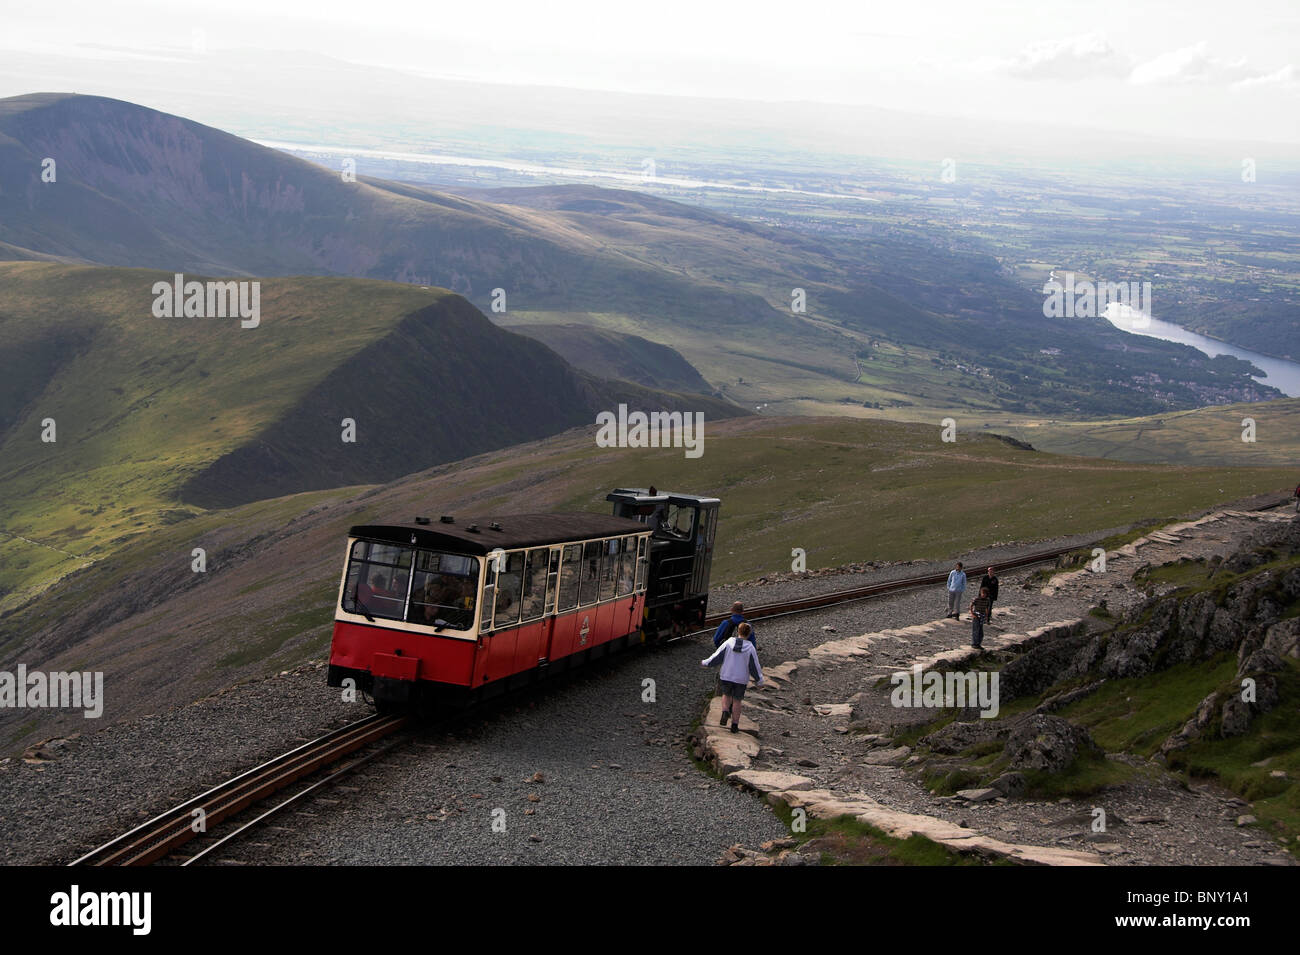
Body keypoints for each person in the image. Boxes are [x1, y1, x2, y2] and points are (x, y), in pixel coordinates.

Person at [701, 623, 764, 733]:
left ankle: (725, 711)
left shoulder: (729, 643)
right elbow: (754, 666)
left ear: (738, 631)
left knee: (726, 695)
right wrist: (759, 681)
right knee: (737, 701)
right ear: (749, 633)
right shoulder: (750, 648)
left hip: (727, 675)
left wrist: (706, 663)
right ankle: (734, 725)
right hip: (741, 678)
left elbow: (717, 656)